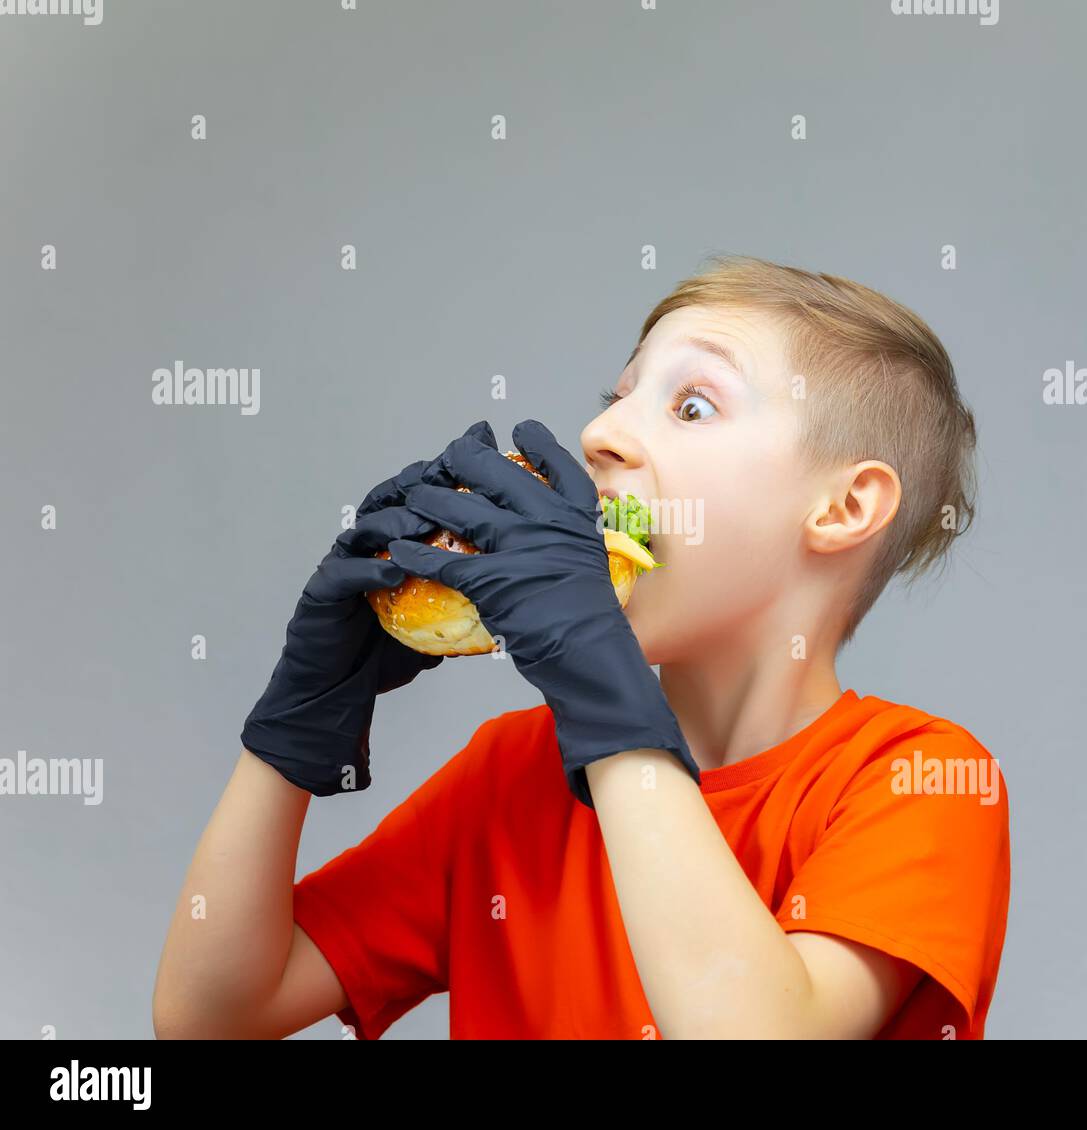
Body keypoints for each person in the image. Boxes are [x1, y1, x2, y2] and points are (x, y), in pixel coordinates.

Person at [152, 253, 1009, 1040]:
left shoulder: (917, 780)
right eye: (618, 396)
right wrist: (293, 732)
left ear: (843, 508)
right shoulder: (509, 775)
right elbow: (210, 1015)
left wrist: (600, 686)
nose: (600, 436)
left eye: (693, 405)